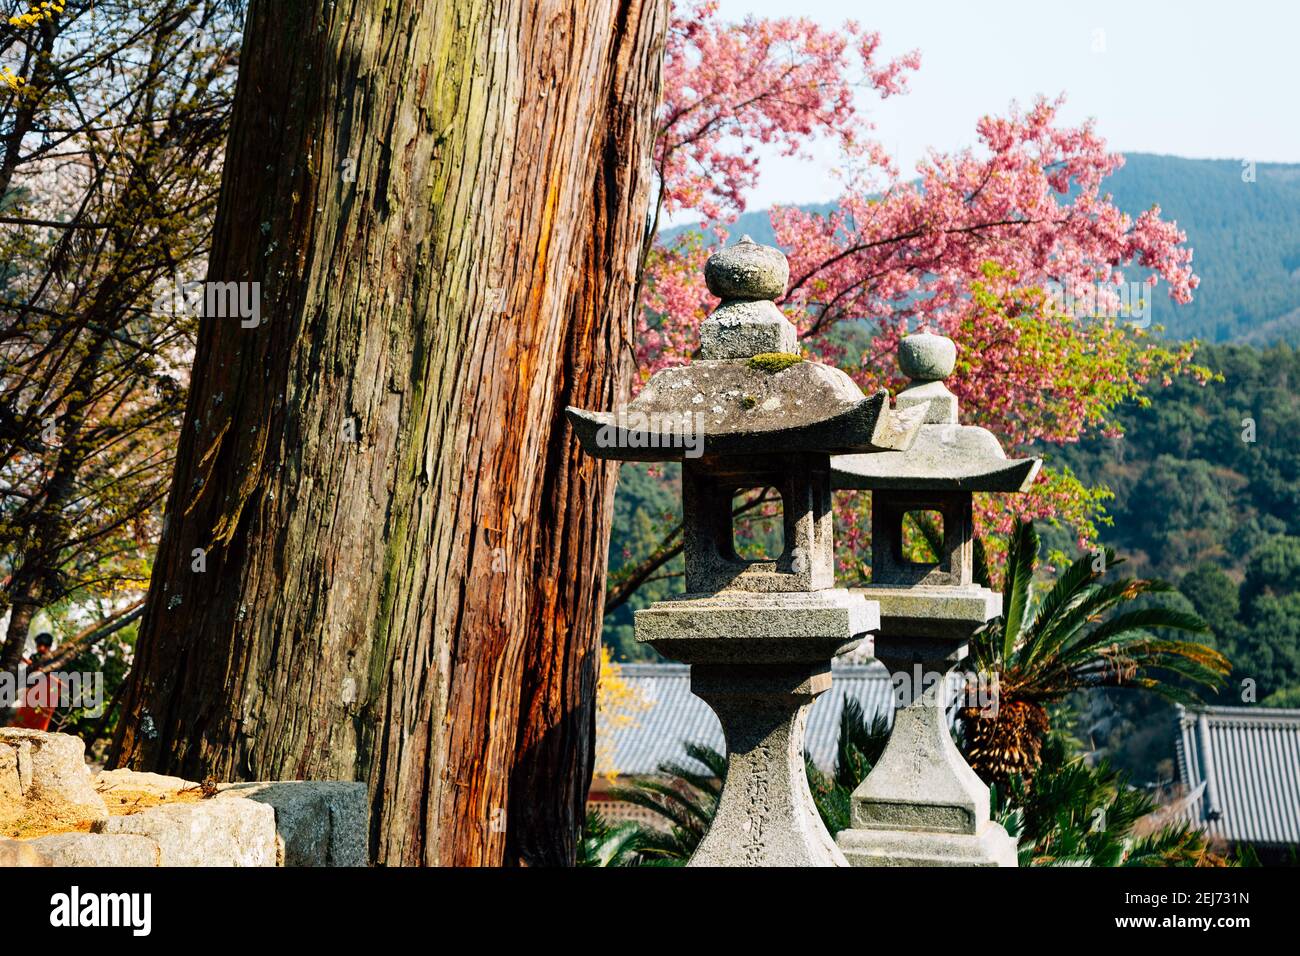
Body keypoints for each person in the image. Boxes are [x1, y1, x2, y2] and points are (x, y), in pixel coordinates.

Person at [10, 632, 61, 730]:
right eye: (39, 645)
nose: (41, 648)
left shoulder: (53, 660)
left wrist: (41, 670)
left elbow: (53, 678)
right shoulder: (34, 656)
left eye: (44, 645)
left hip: (40, 694)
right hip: (26, 688)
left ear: (48, 646)